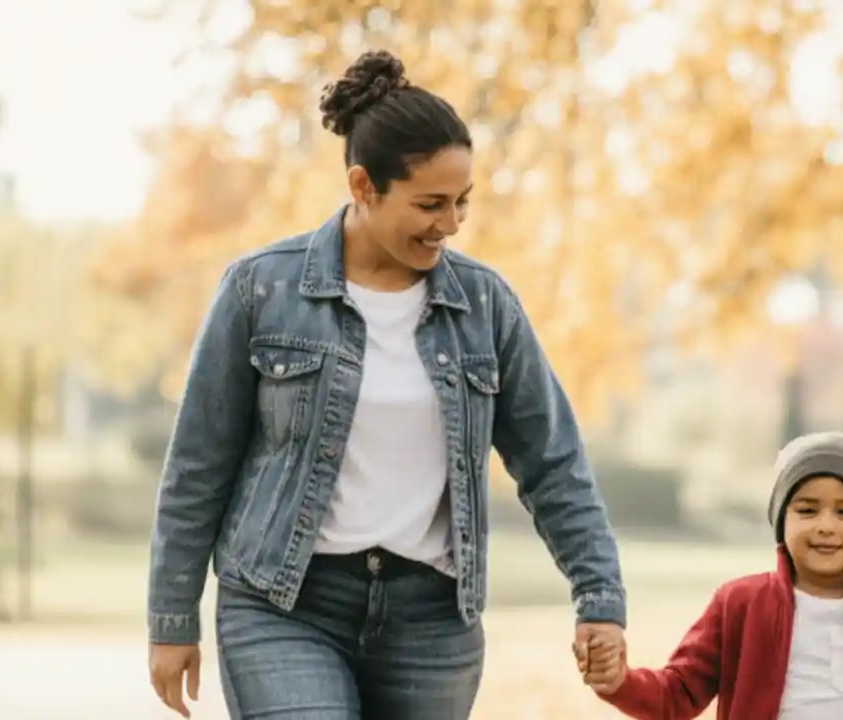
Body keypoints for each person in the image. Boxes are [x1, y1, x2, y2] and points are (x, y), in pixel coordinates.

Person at [146, 49, 626, 719]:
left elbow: (554, 465)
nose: (451, 223)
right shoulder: (261, 289)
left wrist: (597, 597)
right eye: (430, 203)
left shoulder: (486, 307)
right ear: (363, 186)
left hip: (431, 619)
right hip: (284, 604)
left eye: (462, 202)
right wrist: (172, 618)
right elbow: (198, 465)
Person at [576, 431, 843, 719]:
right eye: (807, 510)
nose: (826, 526)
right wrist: (619, 681)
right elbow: (677, 694)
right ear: (782, 520)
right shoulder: (739, 604)